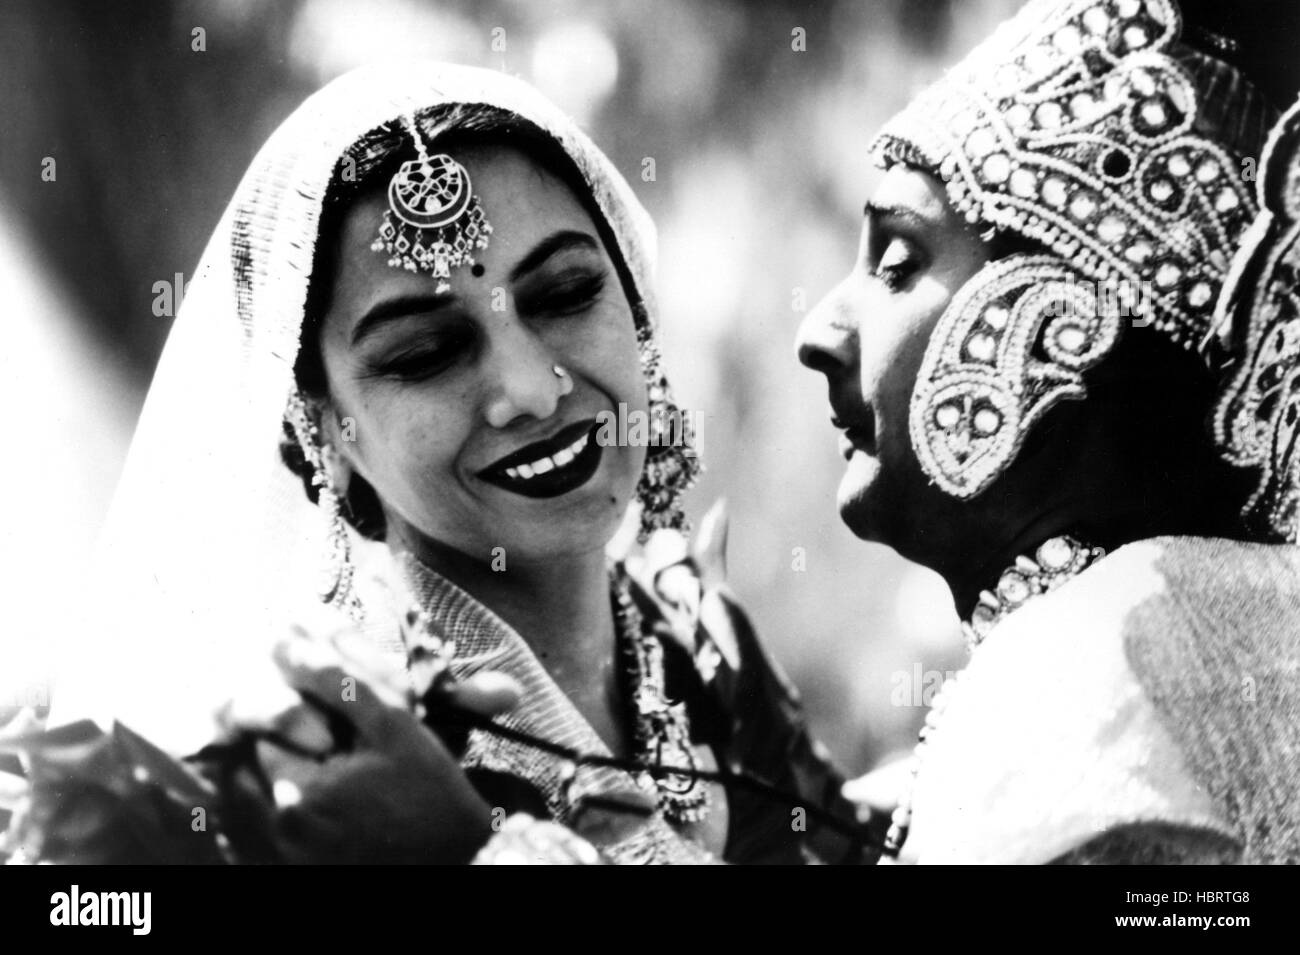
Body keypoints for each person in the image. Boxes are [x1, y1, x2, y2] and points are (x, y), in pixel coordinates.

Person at [28, 64, 865, 864]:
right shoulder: (332, 763)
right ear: (325, 428)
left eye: (567, 295)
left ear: (635, 306)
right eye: (426, 352)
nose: (531, 389)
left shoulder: (697, 639)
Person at [799, 0, 1300, 863]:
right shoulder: (1224, 618)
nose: (817, 331)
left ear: (1072, 326)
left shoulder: (1080, 665)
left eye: (896, 260)